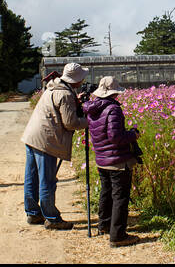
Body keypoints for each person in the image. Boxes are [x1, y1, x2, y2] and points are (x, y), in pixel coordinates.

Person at [21, 62, 89, 230]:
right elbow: (70, 123)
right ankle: (52, 218)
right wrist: (88, 121)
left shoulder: (53, 87)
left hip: (32, 136)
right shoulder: (65, 94)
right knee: (47, 180)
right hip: (46, 141)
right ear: (76, 81)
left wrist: (75, 101)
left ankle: (32, 213)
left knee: (32, 177)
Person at [83, 76, 141, 246]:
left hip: (102, 159)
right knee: (120, 197)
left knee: (106, 192)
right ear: (114, 93)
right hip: (117, 160)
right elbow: (115, 137)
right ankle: (118, 236)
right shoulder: (113, 109)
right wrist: (133, 135)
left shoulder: (92, 109)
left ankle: (104, 225)